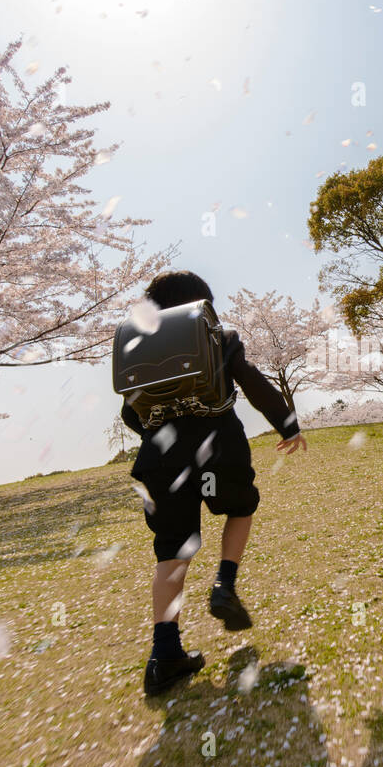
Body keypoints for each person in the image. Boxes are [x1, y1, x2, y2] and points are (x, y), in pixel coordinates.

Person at [121, 270, 307, 696]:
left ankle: (164, 656)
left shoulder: (137, 346)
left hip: (161, 460)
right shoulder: (219, 336)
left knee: (173, 552)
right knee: (241, 508)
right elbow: (253, 382)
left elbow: (130, 415)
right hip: (219, 447)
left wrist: (165, 437)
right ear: (201, 304)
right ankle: (224, 583)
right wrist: (287, 425)